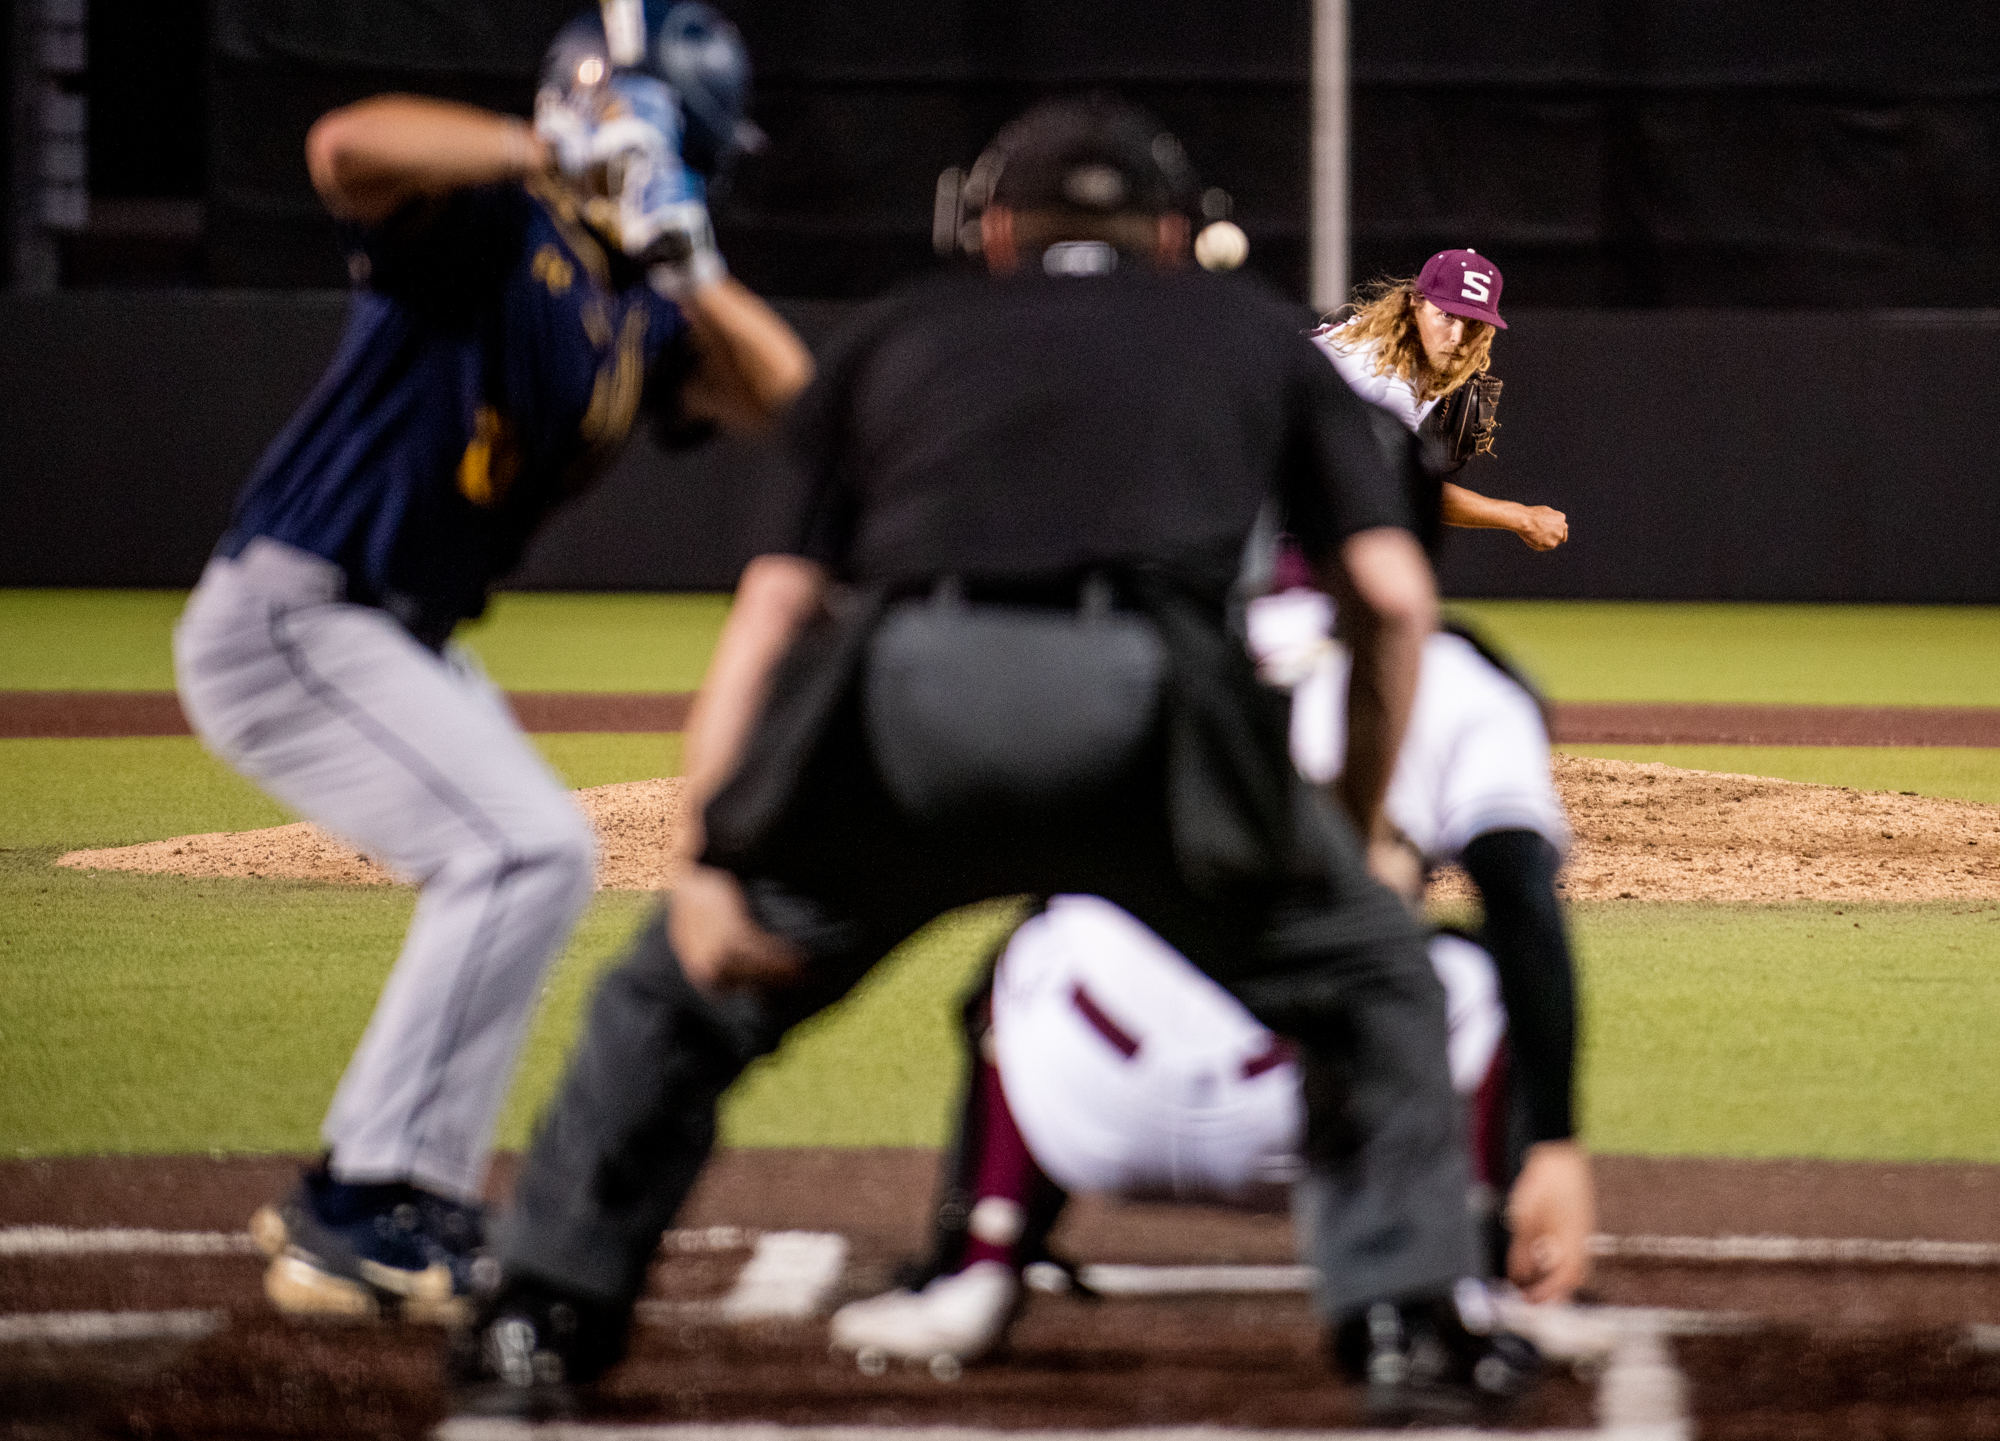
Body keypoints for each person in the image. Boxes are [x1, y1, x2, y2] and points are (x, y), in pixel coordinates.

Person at [460, 92, 1540, 1422]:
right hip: (1157, 714)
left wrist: (708, 861)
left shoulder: (890, 338)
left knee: (679, 997)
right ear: (1170, 235)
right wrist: (1352, 831)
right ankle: (1403, 1328)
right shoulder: (1260, 339)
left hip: (913, 706)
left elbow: (777, 616)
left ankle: (542, 1317)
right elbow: (1389, 598)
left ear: (992, 227)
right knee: (1378, 981)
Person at [173, 2, 813, 1324]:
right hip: (298, 607)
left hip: (391, 630)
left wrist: (687, 265)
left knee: (531, 854)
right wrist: (546, 150)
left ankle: (388, 1192)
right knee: (524, 850)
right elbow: (348, 146)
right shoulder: (493, 221)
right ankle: (368, 1204)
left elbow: (792, 401)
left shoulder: (639, 292)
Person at [828, 583, 1591, 1367]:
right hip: (1323, 1114)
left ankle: (975, 1266)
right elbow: (1522, 899)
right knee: (1475, 971)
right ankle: (1456, 1282)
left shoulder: (1130, 641)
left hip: (1091, 1102)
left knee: (1043, 936)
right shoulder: (1457, 671)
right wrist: (1557, 1143)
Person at [1315, 252, 1569, 552]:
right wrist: (1521, 517)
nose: (1457, 337)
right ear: (1415, 303)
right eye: (1447, 315)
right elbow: (1400, 485)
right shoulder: (1384, 378)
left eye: (1473, 323)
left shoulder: (1400, 346)